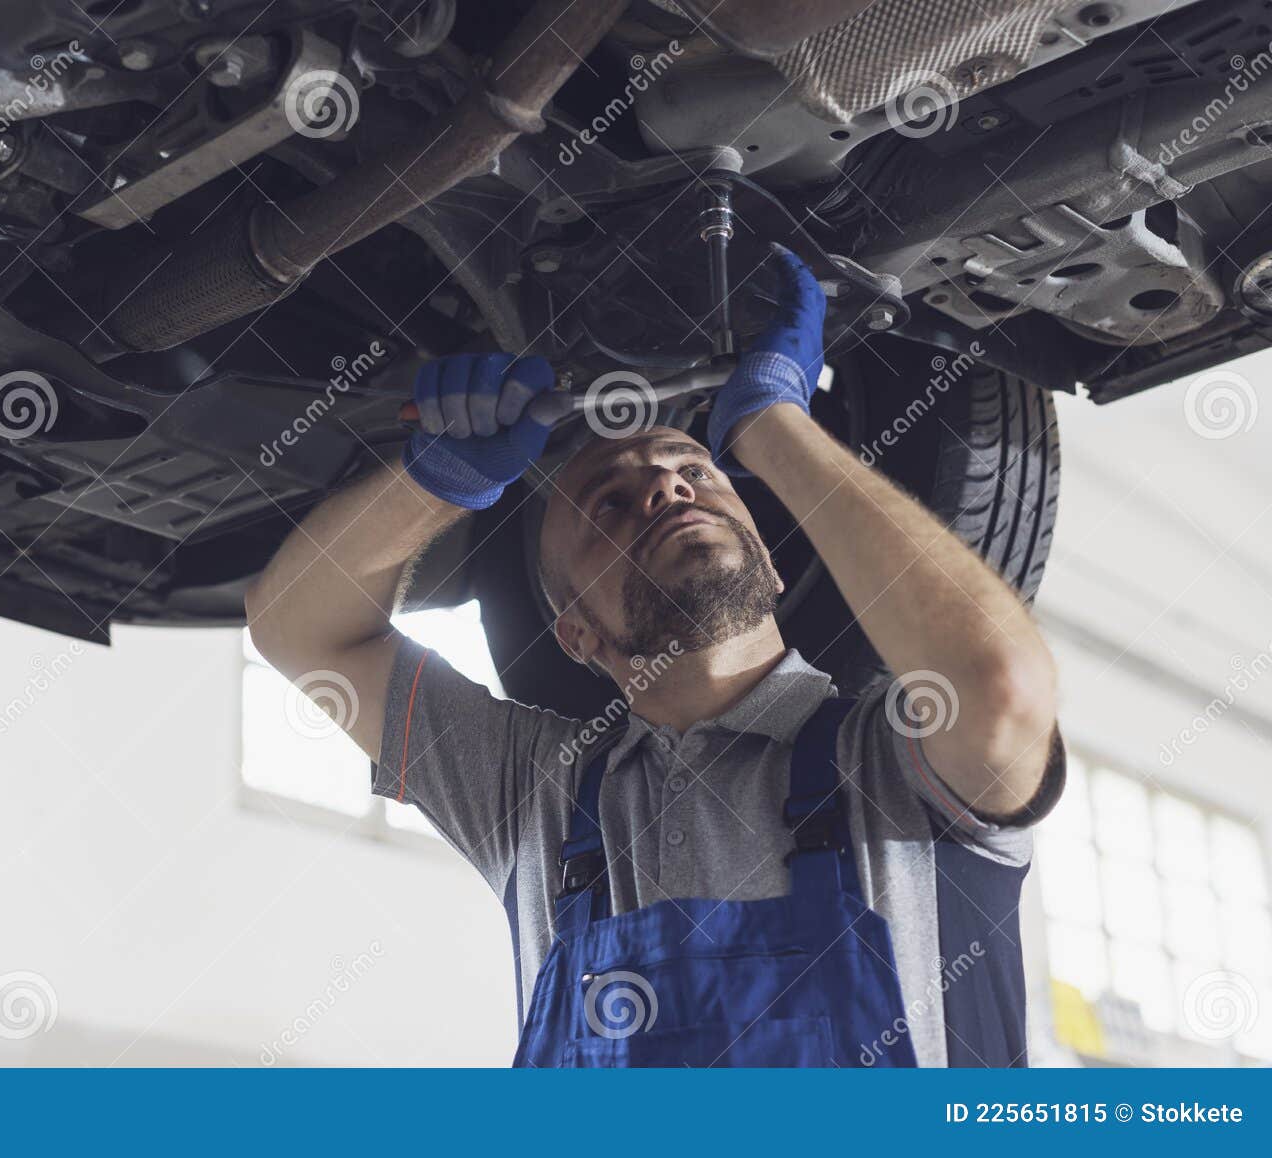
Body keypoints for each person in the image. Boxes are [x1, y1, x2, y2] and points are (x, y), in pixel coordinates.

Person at [245, 246, 1065, 1067]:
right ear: (576, 632)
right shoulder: (537, 795)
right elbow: (297, 629)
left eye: (696, 471)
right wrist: (436, 479)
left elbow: (1001, 689)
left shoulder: (889, 759)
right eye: (608, 502)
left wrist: (772, 424)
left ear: (773, 563)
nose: (666, 489)